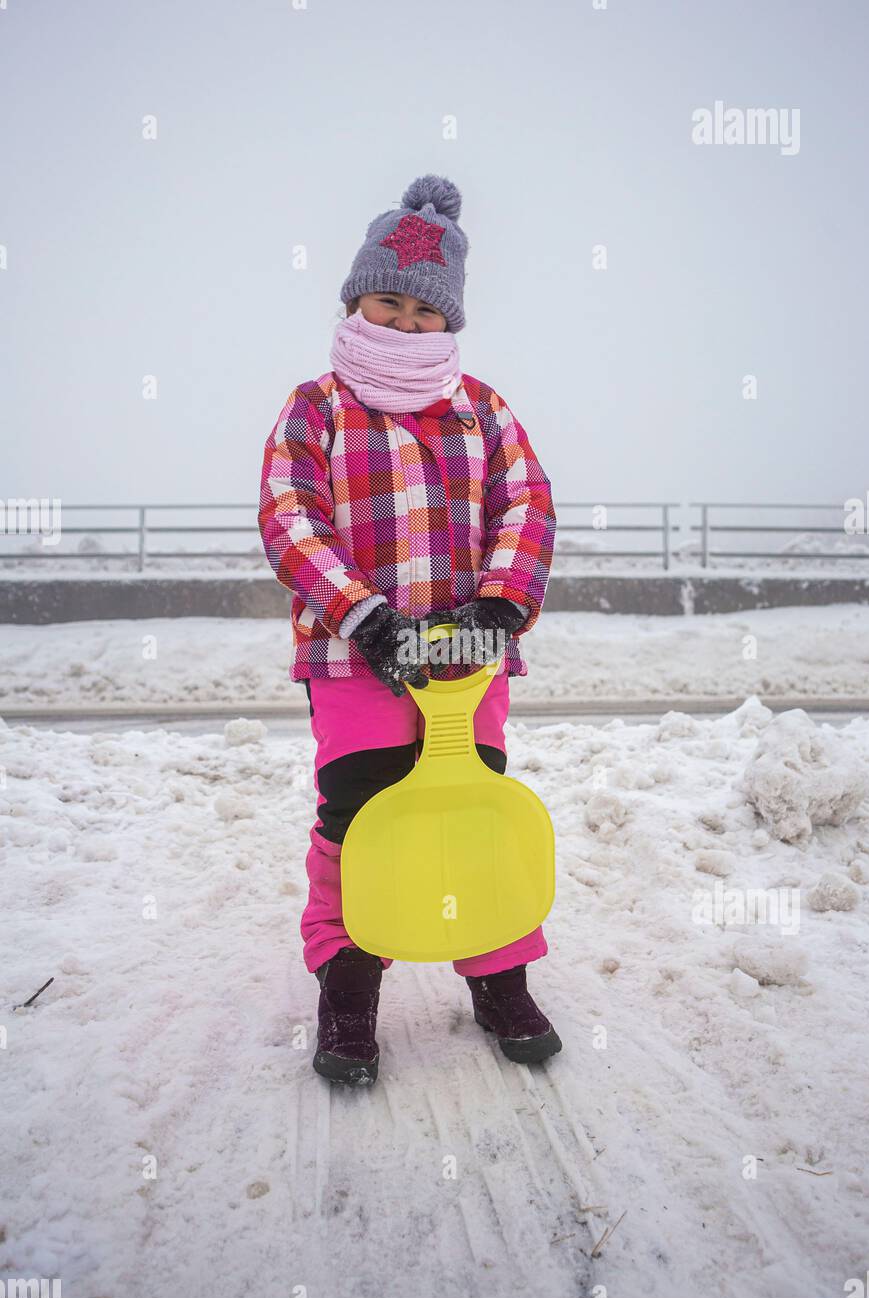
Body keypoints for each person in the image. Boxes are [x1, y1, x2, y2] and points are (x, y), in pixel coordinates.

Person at [258, 174, 560, 1086]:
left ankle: (497, 975)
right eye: (385, 300)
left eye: (423, 310)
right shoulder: (316, 409)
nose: (404, 321)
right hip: (359, 662)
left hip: (471, 658)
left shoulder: (484, 410)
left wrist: (501, 606)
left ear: (449, 319)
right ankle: (349, 990)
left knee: (472, 811)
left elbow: (528, 506)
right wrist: (370, 619)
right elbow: (290, 519)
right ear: (355, 301)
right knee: (359, 820)